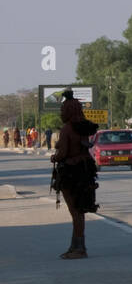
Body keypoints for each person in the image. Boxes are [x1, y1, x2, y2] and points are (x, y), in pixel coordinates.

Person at [50, 90, 99, 259]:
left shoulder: (67, 129)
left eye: (63, 109)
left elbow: (63, 153)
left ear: (68, 111)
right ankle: (77, 246)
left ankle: (78, 249)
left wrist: (54, 157)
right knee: (80, 210)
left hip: (71, 172)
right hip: (86, 170)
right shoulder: (84, 127)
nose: (61, 112)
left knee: (75, 211)